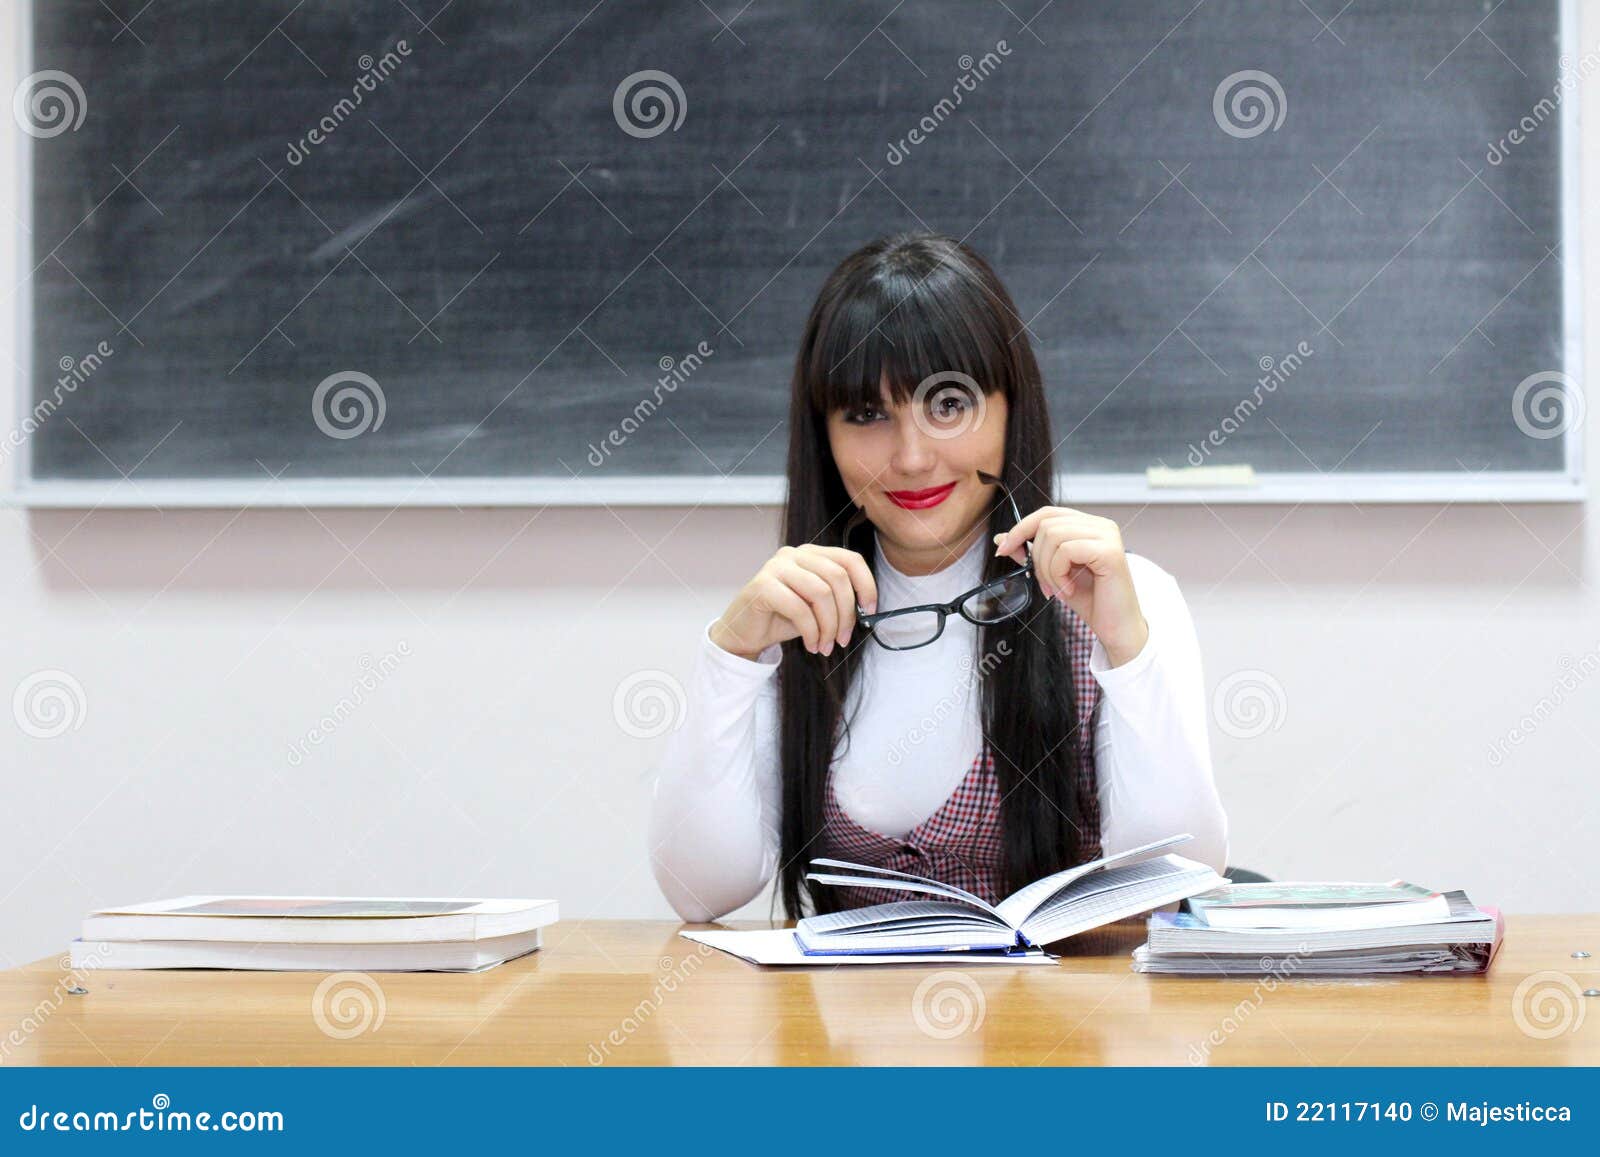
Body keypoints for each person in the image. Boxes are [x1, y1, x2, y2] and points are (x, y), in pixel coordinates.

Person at [648, 231, 1228, 923]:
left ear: (1012, 408)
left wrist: (1128, 649)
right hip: (841, 1030)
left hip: (1059, 1028)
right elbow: (700, 893)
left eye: (948, 405)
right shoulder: (797, 609)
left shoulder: (1117, 591)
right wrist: (730, 655)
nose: (914, 456)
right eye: (867, 414)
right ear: (823, 436)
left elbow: (1175, 876)